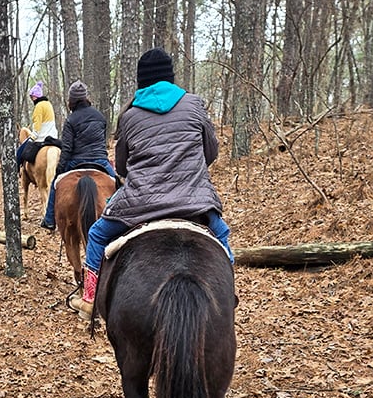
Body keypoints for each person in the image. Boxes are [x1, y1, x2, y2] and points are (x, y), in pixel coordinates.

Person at [68, 48, 233, 320]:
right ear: (170, 77)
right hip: (196, 203)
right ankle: (228, 300)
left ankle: (88, 299)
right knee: (223, 238)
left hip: (139, 204)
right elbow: (211, 152)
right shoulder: (194, 104)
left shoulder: (129, 116)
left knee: (97, 235)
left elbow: (121, 168)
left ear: (140, 81)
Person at [40, 80, 117, 230]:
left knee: (56, 184)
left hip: (76, 161)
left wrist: (60, 170)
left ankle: (49, 219)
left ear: (71, 100)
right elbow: (102, 142)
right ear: (86, 98)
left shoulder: (71, 120)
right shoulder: (100, 117)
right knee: (119, 184)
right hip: (100, 161)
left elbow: (67, 149)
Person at [16, 81, 58, 169]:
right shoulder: (48, 104)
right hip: (53, 137)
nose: (31, 99)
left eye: (32, 96)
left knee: (19, 152)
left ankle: (16, 171)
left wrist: (33, 136)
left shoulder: (39, 106)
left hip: (42, 137)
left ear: (36, 96)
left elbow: (37, 125)